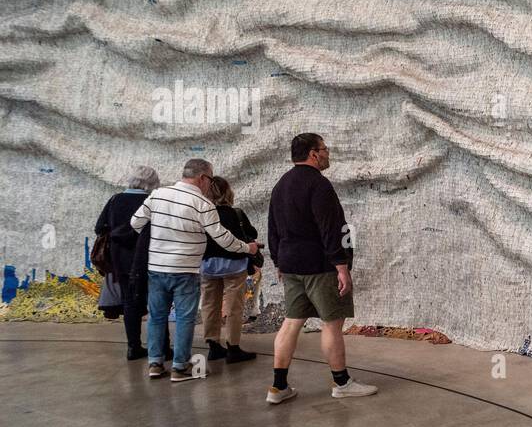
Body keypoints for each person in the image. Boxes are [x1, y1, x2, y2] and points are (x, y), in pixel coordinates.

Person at [265, 133, 377, 403]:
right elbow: (331, 228)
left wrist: (278, 261)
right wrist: (341, 265)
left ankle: (278, 387)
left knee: (291, 323)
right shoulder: (319, 185)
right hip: (319, 265)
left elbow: (273, 228)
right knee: (331, 324)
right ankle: (342, 383)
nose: (328, 154)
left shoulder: (281, 185)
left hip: (290, 265)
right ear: (313, 154)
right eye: (325, 149)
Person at [130, 159, 259, 382]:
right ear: (202, 178)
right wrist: (247, 247)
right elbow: (222, 238)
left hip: (157, 267)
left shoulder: (158, 194)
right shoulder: (202, 203)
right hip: (185, 269)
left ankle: (155, 363)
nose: (210, 185)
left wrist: (164, 236)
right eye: (210, 179)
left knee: (157, 317)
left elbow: (135, 223)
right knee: (184, 318)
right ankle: (180, 367)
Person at [94, 165, 161, 359]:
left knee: (129, 302)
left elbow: (100, 228)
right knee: (157, 302)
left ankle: (133, 347)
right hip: (148, 257)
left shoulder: (115, 200)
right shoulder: (152, 201)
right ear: (152, 182)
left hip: (120, 260)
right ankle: (161, 347)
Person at [199, 176, 259, 364]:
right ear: (227, 192)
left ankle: (213, 345)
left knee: (210, 304)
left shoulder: (203, 214)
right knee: (234, 306)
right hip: (233, 265)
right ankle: (233, 347)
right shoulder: (235, 214)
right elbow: (251, 233)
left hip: (208, 265)